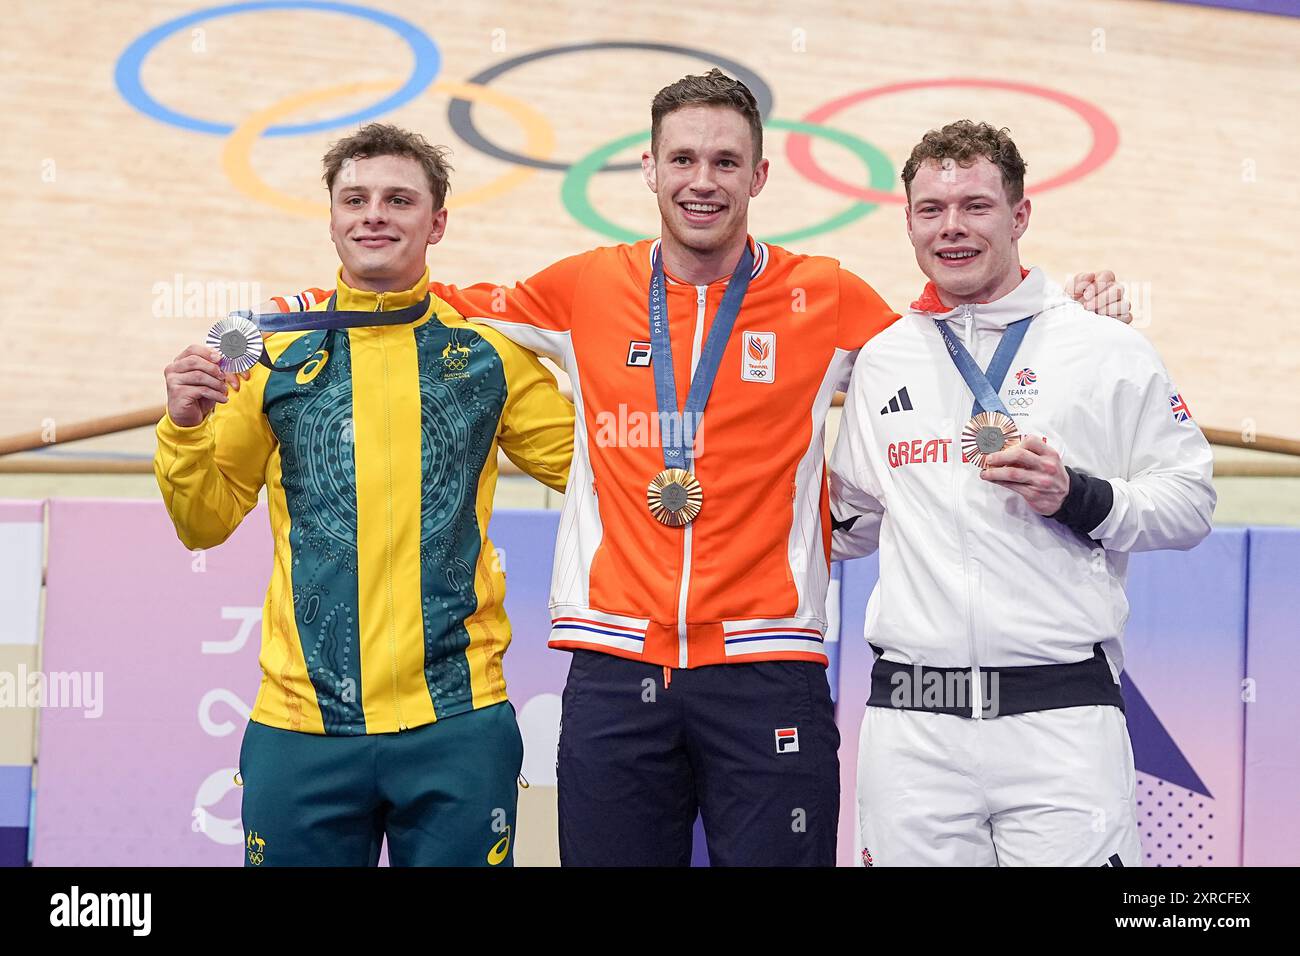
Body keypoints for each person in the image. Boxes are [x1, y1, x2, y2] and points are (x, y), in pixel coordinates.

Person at [273, 73, 1129, 866]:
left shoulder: (820, 294)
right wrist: (299, 312)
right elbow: (433, 297)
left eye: (727, 161)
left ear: (759, 177)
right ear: (649, 168)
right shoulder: (586, 287)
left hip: (769, 670)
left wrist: (1062, 314)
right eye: (682, 158)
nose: (702, 180)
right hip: (614, 662)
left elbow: (947, 334)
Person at [154, 123, 573, 866]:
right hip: (299, 728)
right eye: (356, 198)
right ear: (333, 218)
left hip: (458, 725)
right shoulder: (264, 347)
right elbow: (204, 522)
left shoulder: (489, 350)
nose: (374, 214)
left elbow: (597, 471)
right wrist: (185, 429)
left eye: (398, 199)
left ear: (436, 222)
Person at [828, 120, 1215, 866]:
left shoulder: (1106, 347)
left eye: (975, 205)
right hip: (913, 729)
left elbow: (1191, 505)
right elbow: (857, 522)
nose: (953, 228)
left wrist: (1079, 496)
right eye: (932, 210)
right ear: (907, 220)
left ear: (1020, 215)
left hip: (1062, 719)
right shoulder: (883, 359)